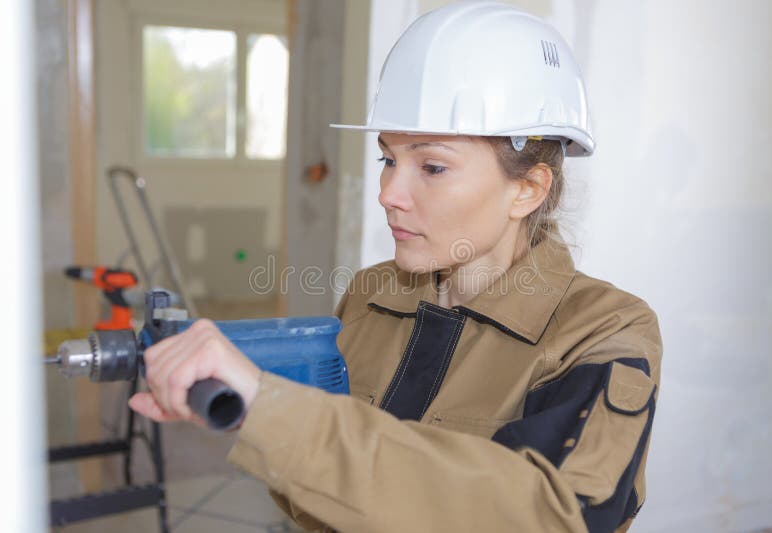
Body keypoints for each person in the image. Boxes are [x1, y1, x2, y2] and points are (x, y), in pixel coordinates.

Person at [129, 2, 663, 532]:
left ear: (526, 189)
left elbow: (553, 516)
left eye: (432, 166)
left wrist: (268, 409)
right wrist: (250, 407)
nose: (388, 193)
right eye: (388, 159)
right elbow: (316, 496)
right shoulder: (371, 295)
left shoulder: (603, 331)